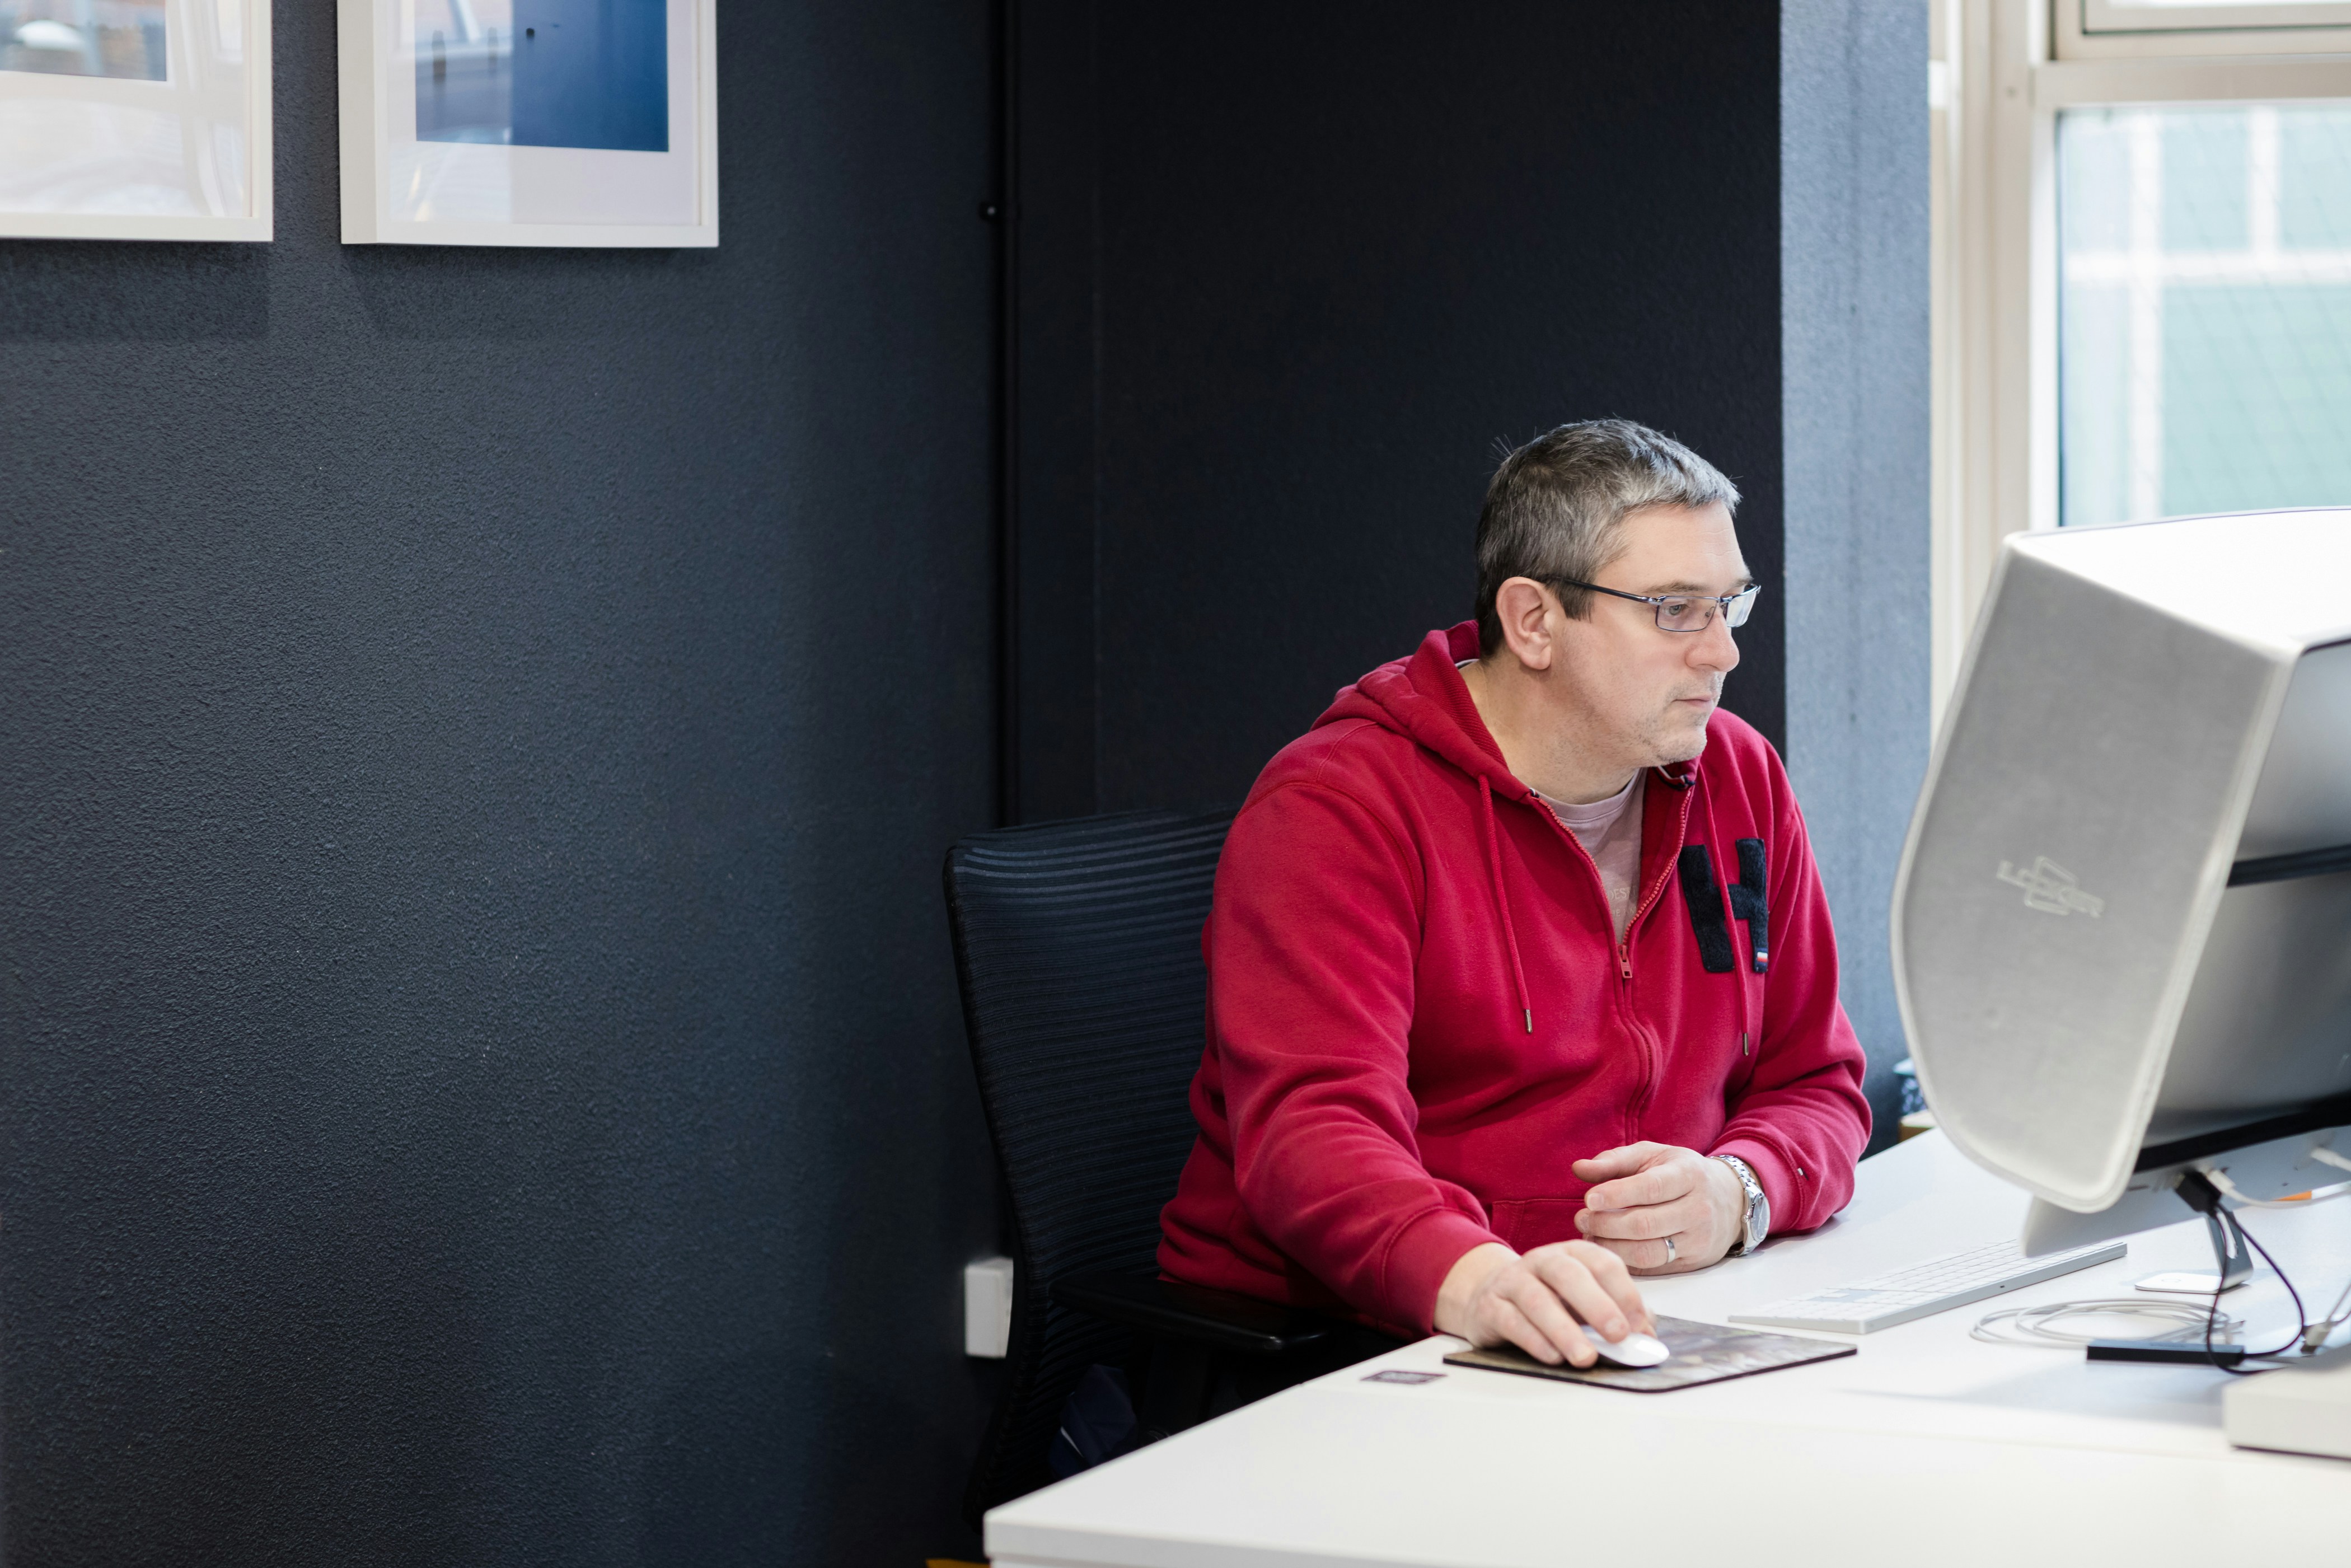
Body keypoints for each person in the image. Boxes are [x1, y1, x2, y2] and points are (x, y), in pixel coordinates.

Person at [1158, 418, 1872, 1369]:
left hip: (1646, 1319)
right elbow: (1313, 1133)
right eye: (1674, 610)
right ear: (1534, 621)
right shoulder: (1337, 805)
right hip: (1360, 1338)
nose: (1721, 654)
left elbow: (1814, 1080)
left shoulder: (1738, 777)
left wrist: (1740, 1191)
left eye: (1728, 606)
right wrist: (1481, 1277)